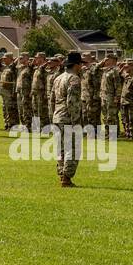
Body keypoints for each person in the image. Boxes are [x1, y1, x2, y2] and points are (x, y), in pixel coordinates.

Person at [53, 52, 84, 187]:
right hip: (68, 118)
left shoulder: (58, 78)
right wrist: (76, 120)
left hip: (57, 116)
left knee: (60, 148)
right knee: (72, 148)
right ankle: (67, 178)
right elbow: (72, 102)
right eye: (80, 64)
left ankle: (62, 174)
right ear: (76, 65)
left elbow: (51, 100)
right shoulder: (74, 79)